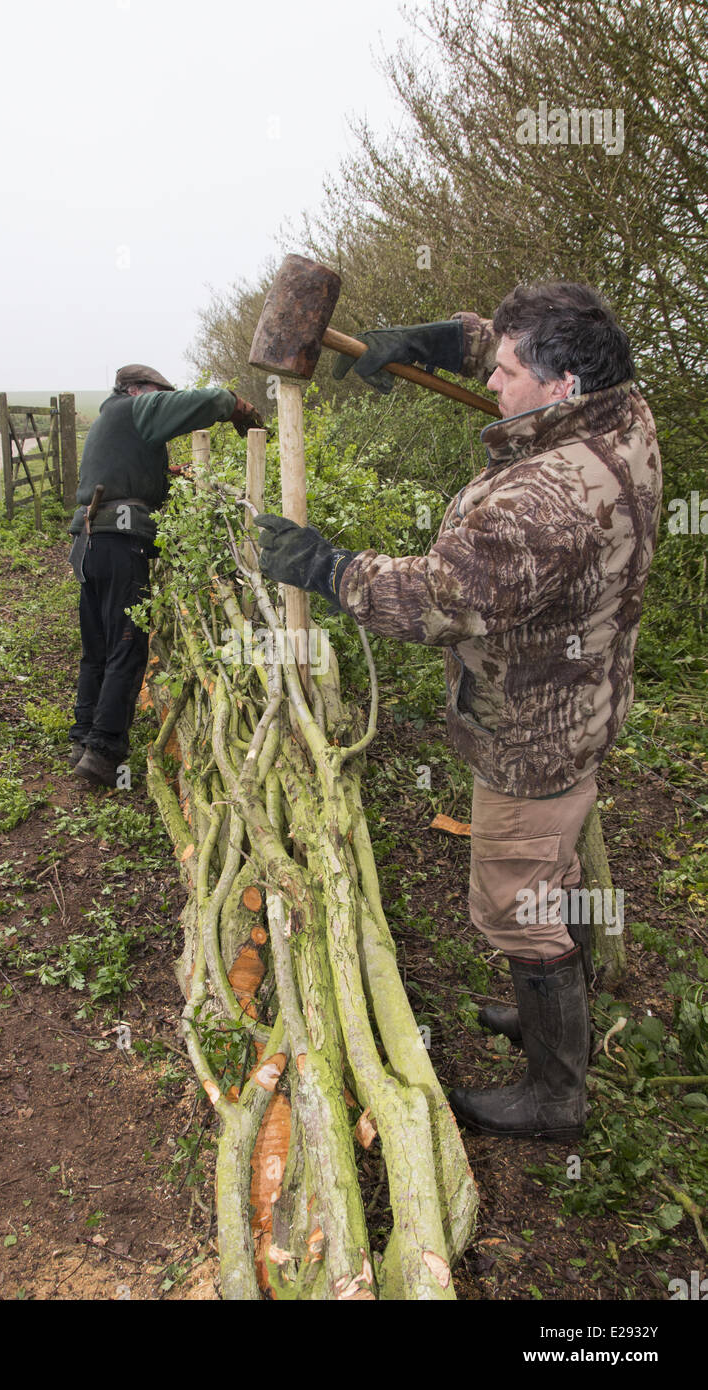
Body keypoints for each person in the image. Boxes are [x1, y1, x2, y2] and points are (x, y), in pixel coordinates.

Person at [254, 282, 662, 1141]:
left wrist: (328, 568)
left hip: (532, 730)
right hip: (583, 699)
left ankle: (556, 1095)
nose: (494, 383)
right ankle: (549, 1003)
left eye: (507, 373)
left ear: (559, 386)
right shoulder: (619, 411)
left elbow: (441, 600)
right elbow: (511, 346)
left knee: (516, 898)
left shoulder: (548, 501)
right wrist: (440, 339)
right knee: (555, 869)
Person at [69, 364, 262, 787]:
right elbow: (208, 401)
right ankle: (103, 752)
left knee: (98, 646)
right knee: (126, 644)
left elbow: (128, 479)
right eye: (159, 393)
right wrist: (235, 406)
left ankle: (83, 738)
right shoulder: (134, 409)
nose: (163, 399)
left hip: (89, 542)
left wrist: (167, 477)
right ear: (138, 390)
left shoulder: (110, 420)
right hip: (120, 543)